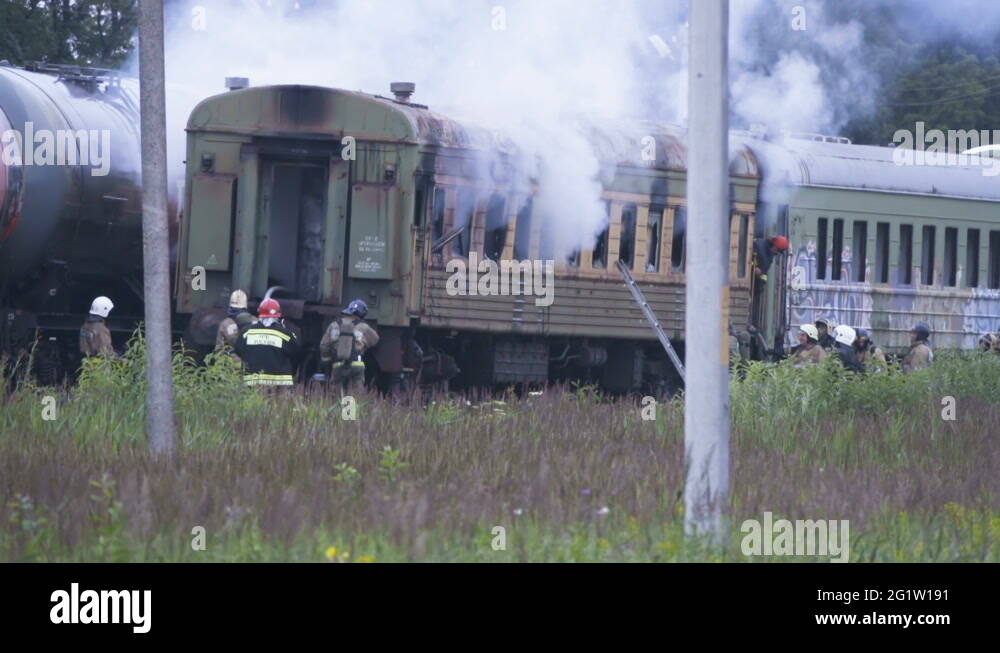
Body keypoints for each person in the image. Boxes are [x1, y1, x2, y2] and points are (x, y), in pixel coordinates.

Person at [234, 298, 301, 387]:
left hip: (253, 385)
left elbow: (238, 351)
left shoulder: (246, 333)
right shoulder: (285, 334)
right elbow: (296, 352)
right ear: (278, 316)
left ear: (260, 314)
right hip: (279, 386)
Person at [320, 299, 380, 396]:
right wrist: (363, 346)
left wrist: (327, 360)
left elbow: (324, 345)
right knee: (355, 395)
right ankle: (351, 410)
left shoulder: (334, 325)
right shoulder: (363, 326)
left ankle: (339, 409)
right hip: (357, 364)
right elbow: (375, 340)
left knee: (336, 394)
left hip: (338, 364)